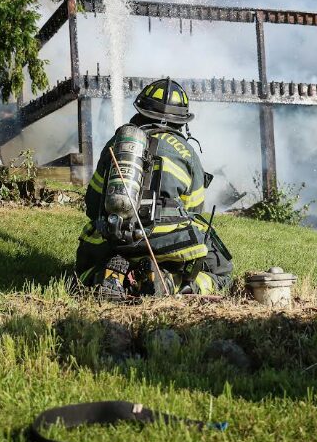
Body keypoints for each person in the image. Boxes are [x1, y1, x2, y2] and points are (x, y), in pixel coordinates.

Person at [75, 78, 233, 299]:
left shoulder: (116, 144)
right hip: (168, 242)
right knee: (222, 272)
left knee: (80, 270)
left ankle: (104, 276)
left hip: (112, 237)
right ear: (181, 121)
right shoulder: (187, 153)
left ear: (140, 112)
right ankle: (170, 282)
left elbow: (93, 204)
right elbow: (194, 212)